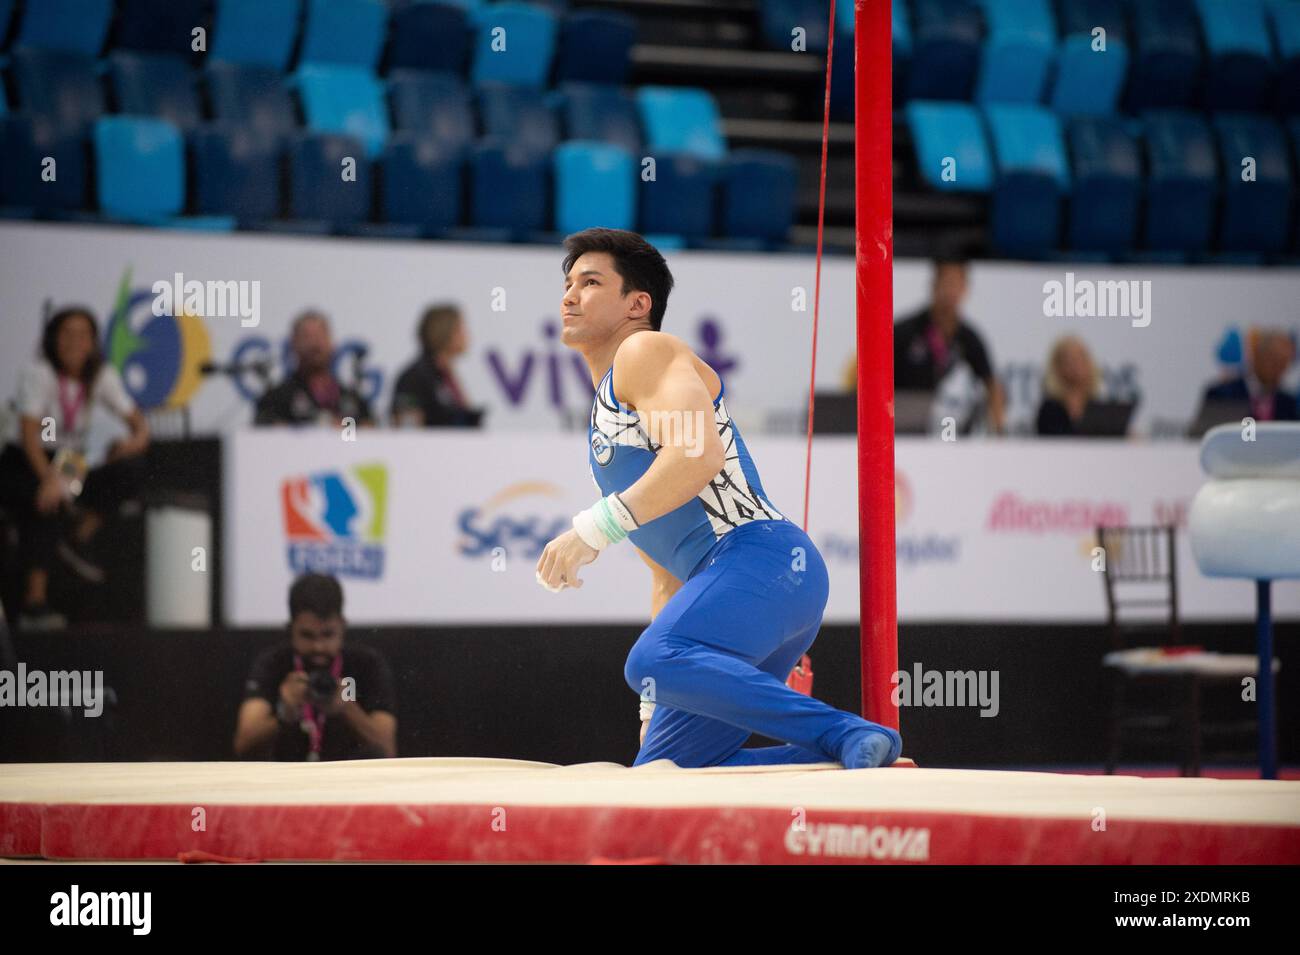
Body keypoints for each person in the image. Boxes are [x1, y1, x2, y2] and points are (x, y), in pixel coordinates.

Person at [534, 228, 902, 770]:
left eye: (590, 282)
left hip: (763, 560)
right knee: (665, 775)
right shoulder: (603, 431)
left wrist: (591, 531)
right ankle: (846, 754)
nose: (569, 295)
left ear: (639, 304)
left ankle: (843, 730)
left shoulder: (646, 350)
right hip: (737, 591)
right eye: (567, 283)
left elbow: (696, 455)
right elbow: (666, 578)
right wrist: (652, 711)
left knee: (650, 659)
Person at [0, 307, 149, 629]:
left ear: (93, 342)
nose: (75, 342)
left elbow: (140, 426)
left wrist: (130, 443)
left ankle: (77, 539)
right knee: (46, 501)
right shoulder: (38, 373)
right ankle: (33, 603)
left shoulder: (100, 375)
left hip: (70, 462)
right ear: (53, 338)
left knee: (133, 469)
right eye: (67, 334)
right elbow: (29, 436)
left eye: (83, 335)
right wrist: (49, 480)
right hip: (25, 462)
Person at [234, 573, 397, 761]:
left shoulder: (366, 665)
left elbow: (387, 748)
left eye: (328, 634)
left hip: (350, 782)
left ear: (342, 626)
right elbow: (243, 745)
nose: (318, 647)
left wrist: (346, 708)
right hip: (286, 780)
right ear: (290, 628)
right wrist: (283, 714)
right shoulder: (273, 664)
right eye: (307, 635)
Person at [893, 258, 1006, 434]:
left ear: (965, 289)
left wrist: (999, 430)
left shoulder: (969, 339)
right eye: (947, 283)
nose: (951, 291)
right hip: (905, 429)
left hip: (952, 431)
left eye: (956, 284)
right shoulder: (905, 332)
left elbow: (991, 384)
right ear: (934, 286)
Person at [254, 311, 374, 427]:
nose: (315, 344)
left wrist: (341, 429)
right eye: (307, 337)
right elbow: (266, 432)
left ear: (331, 343)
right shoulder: (276, 399)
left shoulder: (352, 399)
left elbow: (370, 431)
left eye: (320, 336)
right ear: (293, 344)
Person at [389, 303, 484, 427]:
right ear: (444, 332)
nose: (467, 336)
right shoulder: (414, 378)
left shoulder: (446, 374)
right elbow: (408, 432)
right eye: (460, 329)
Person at [1200, 328, 1298, 422]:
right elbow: (1205, 435)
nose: (1280, 370)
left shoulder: (1288, 403)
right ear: (1257, 356)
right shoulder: (1221, 395)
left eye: (1285, 363)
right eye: (1275, 361)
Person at [1036, 336, 1105, 436]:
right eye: (1070, 360)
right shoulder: (1050, 410)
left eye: (1081, 358)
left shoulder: (1098, 407)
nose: (1077, 365)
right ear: (1058, 366)